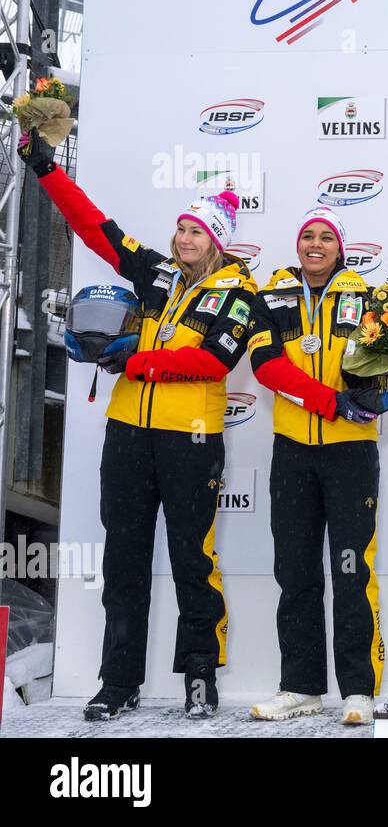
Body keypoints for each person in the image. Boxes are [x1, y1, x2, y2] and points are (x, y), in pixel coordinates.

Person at [20, 129, 256, 720]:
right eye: (181, 227)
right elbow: (94, 226)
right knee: (123, 564)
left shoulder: (242, 293)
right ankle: (117, 681)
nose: (182, 238)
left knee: (192, 564)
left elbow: (213, 361)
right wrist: (47, 171)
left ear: (218, 242)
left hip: (190, 442)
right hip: (127, 434)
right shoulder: (153, 272)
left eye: (196, 231)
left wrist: (137, 359)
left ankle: (200, 677)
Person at [246, 206, 388, 724]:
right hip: (292, 450)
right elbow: (266, 368)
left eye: (324, 237)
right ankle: (300, 687)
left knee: (352, 570)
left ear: (339, 247)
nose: (314, 245)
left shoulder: (366, 295)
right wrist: (331, 402)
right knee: (296, 572)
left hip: (351, 452)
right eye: (306, 235)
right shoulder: (271, 297)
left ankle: (358, 690)